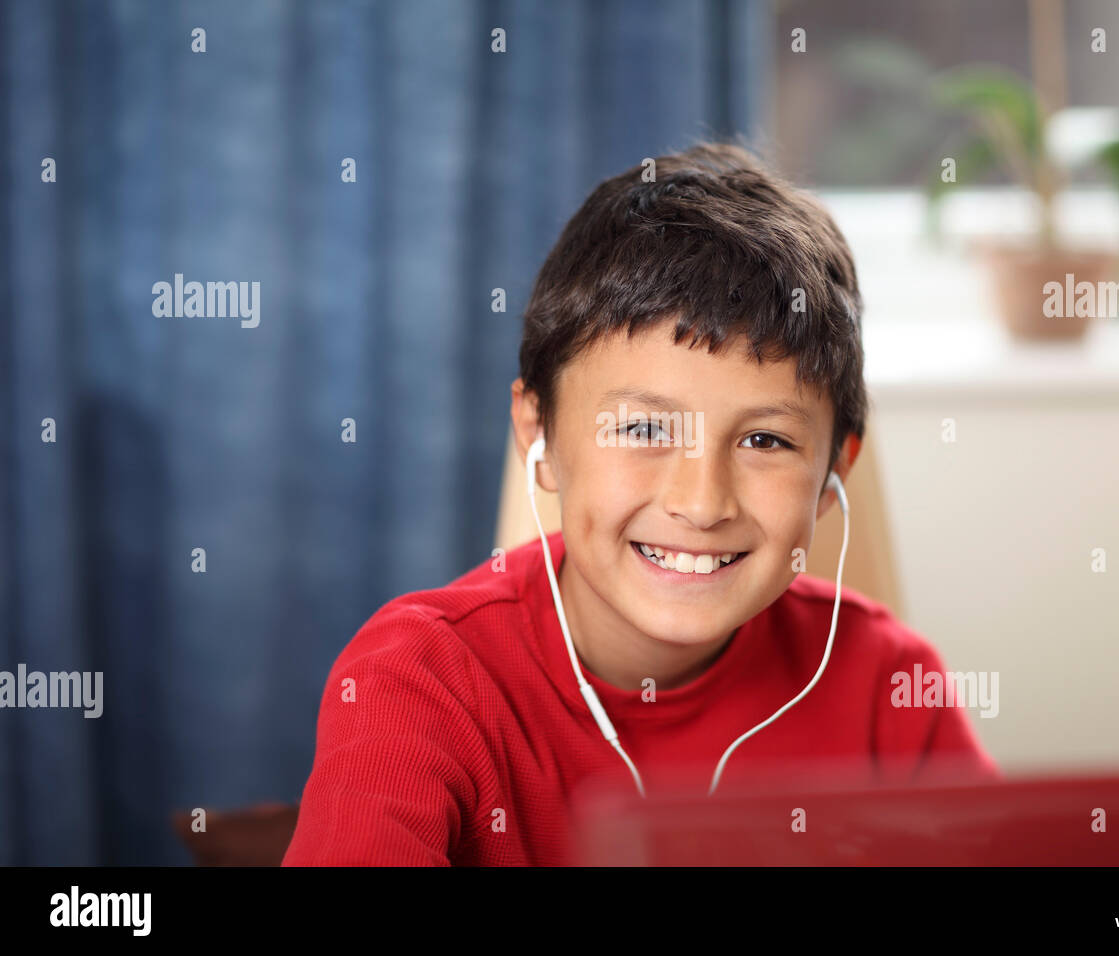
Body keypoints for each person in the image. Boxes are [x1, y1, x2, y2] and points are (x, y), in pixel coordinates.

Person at [282, 142, 998, 866]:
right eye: (644, 428)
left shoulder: (889, 681)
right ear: (541, 436)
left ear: (832, 475)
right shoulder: (418, 680)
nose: (701, 501)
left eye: (764, 440)